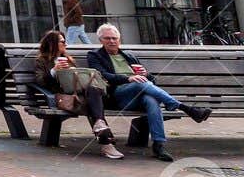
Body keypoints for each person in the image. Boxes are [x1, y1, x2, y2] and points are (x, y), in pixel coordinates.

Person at [86, 23, 211, 161]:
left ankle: (159, 145)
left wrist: (146, 74)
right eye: (107, 38)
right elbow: (103, 75)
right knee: (141, 84)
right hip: (116, 96)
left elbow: (152, 82)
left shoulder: (129, 56)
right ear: (100, 40)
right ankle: (184, 107)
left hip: (137, 95)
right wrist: (129, 78)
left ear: (119, 39)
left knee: (151, 101)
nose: (111, 41)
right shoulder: (95, 55)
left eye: (114, 38)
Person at [35, 29, 122, 158]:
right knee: (92, 103)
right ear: (52, 43)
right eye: (62, 41)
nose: (66, 44)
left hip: (79, 93)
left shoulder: (68, 59)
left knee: (93, 90)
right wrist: (54, 71)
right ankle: (106, 143)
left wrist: (73, 72)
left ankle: (100, 126)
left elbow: (80, 80)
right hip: (62, 96)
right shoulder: (42, 61)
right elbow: (40, 81)